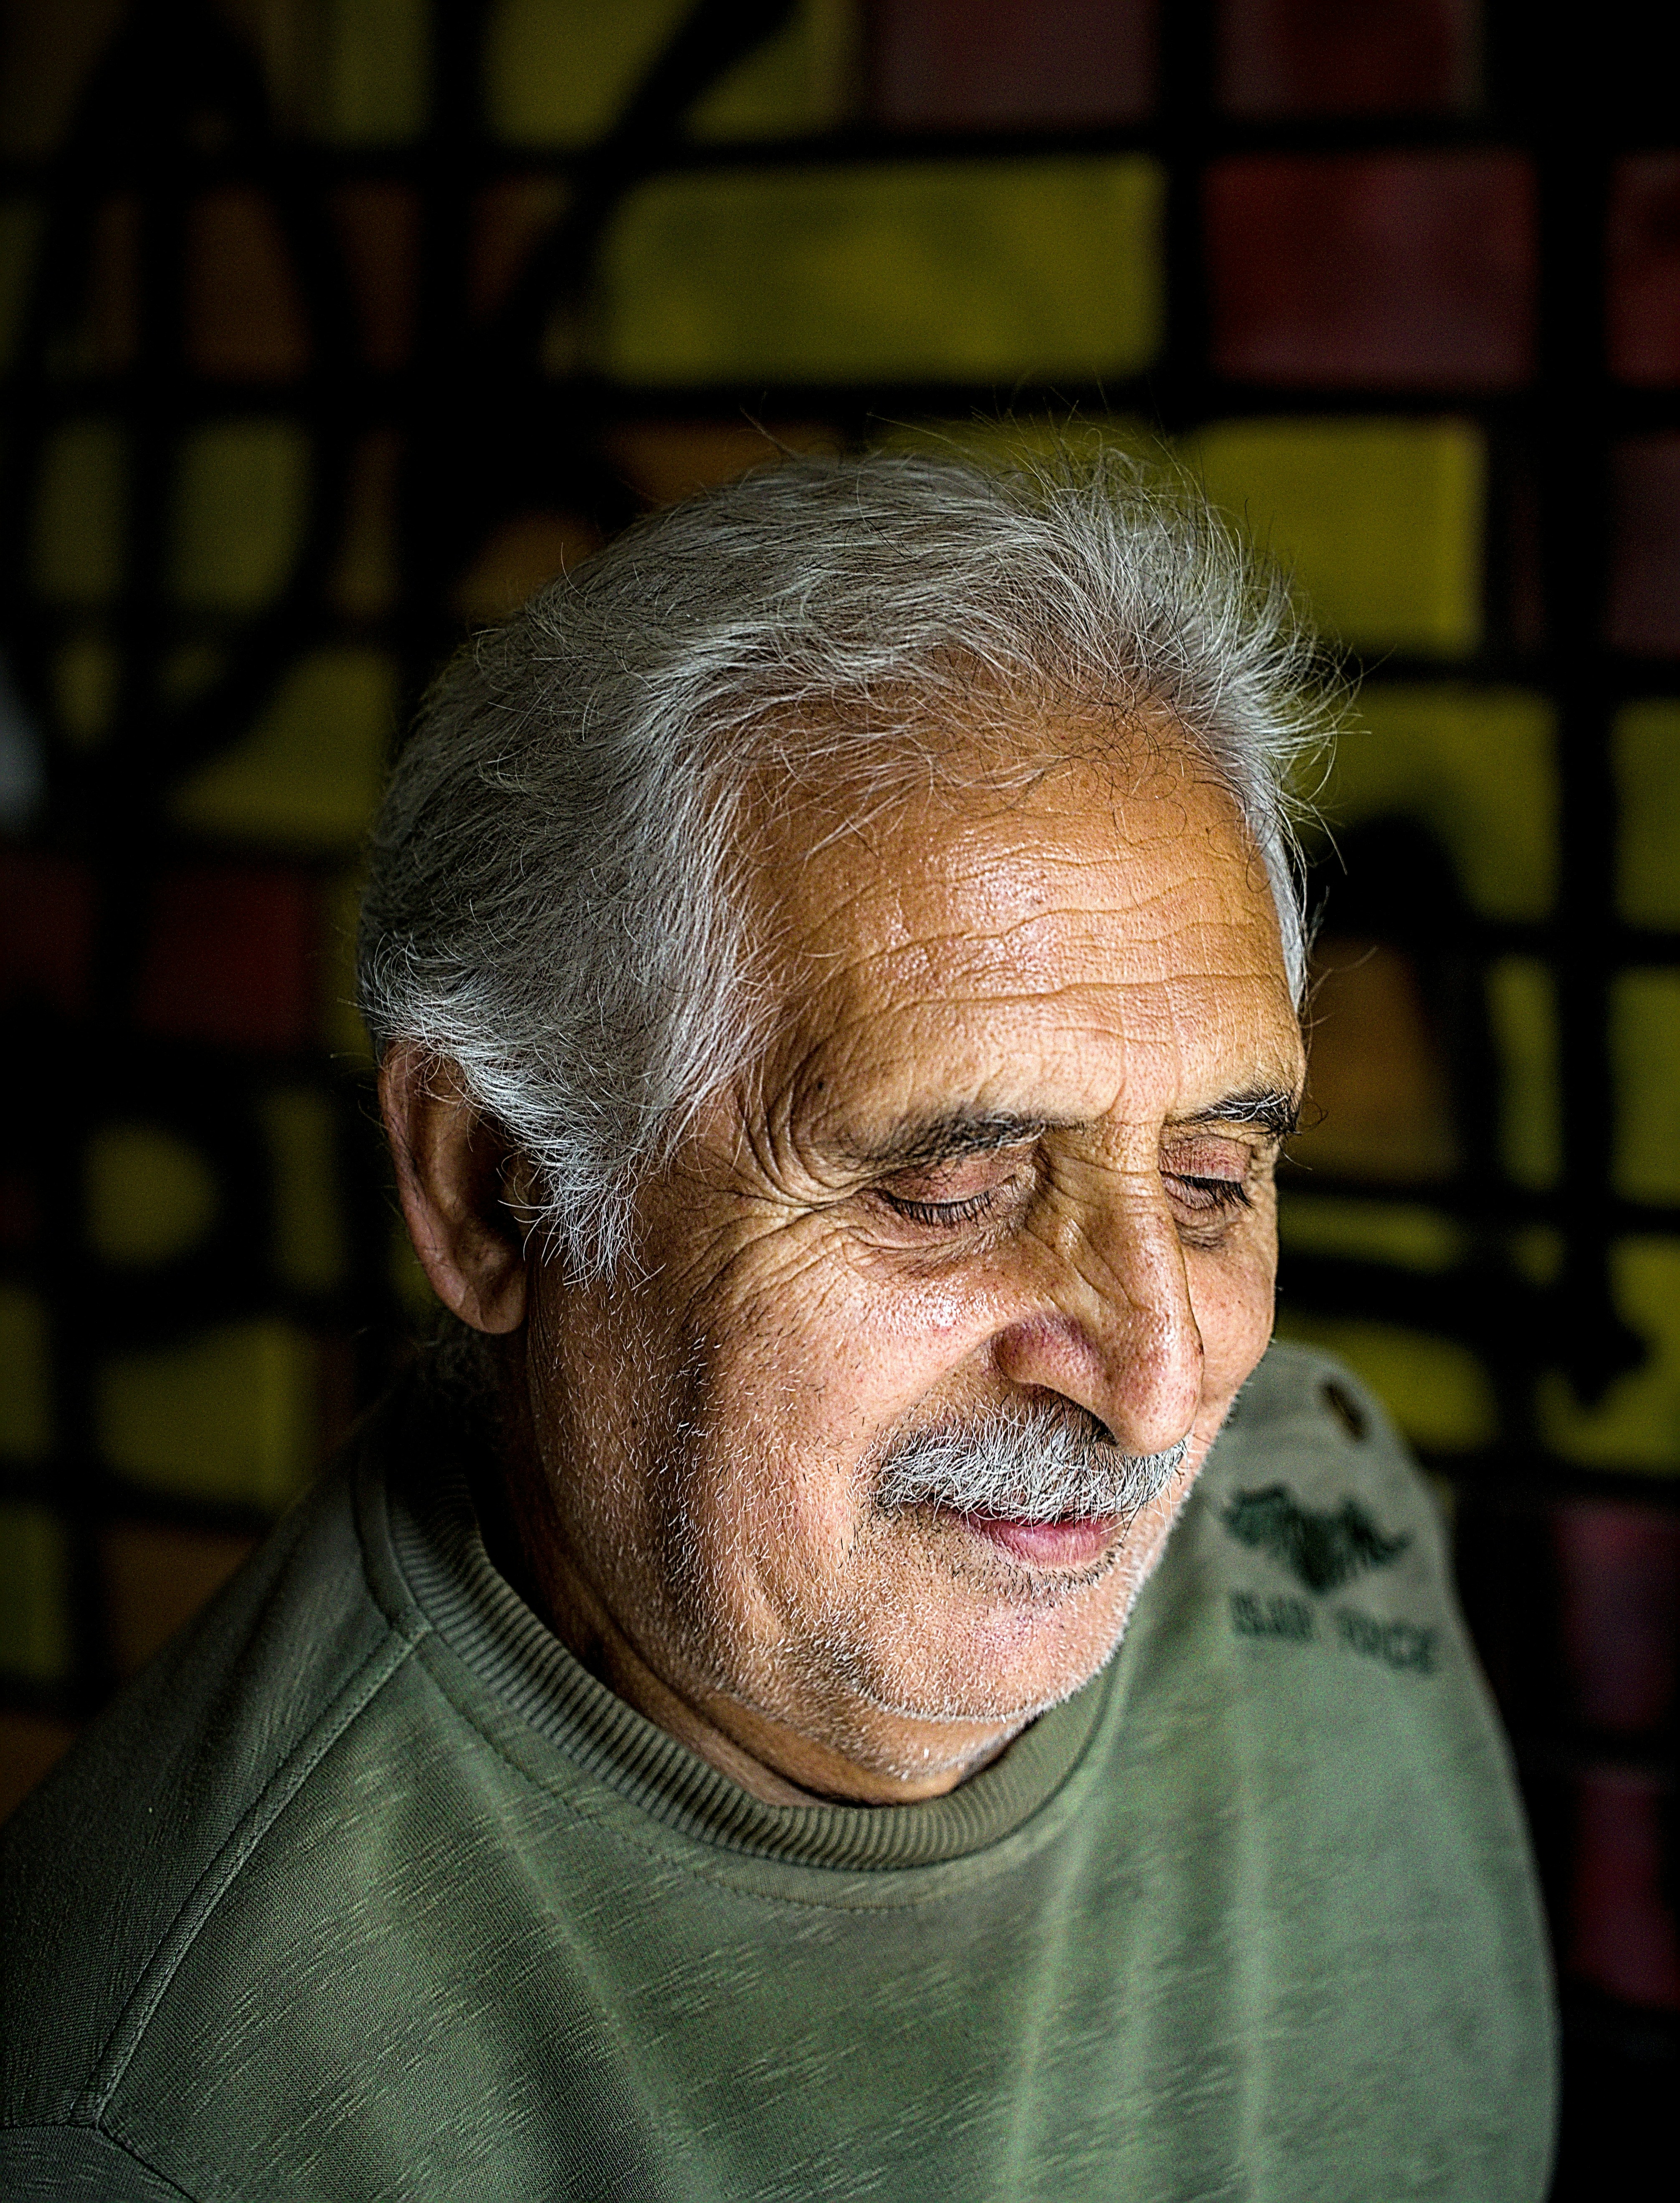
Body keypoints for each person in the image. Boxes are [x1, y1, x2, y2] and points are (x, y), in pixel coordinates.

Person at [0, 450, 1553, 2199]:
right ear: (491, 1184)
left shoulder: (1321, 1517)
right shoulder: (165, 2114)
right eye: (949, 1188)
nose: (1157, 1382)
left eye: (1211, 1180)